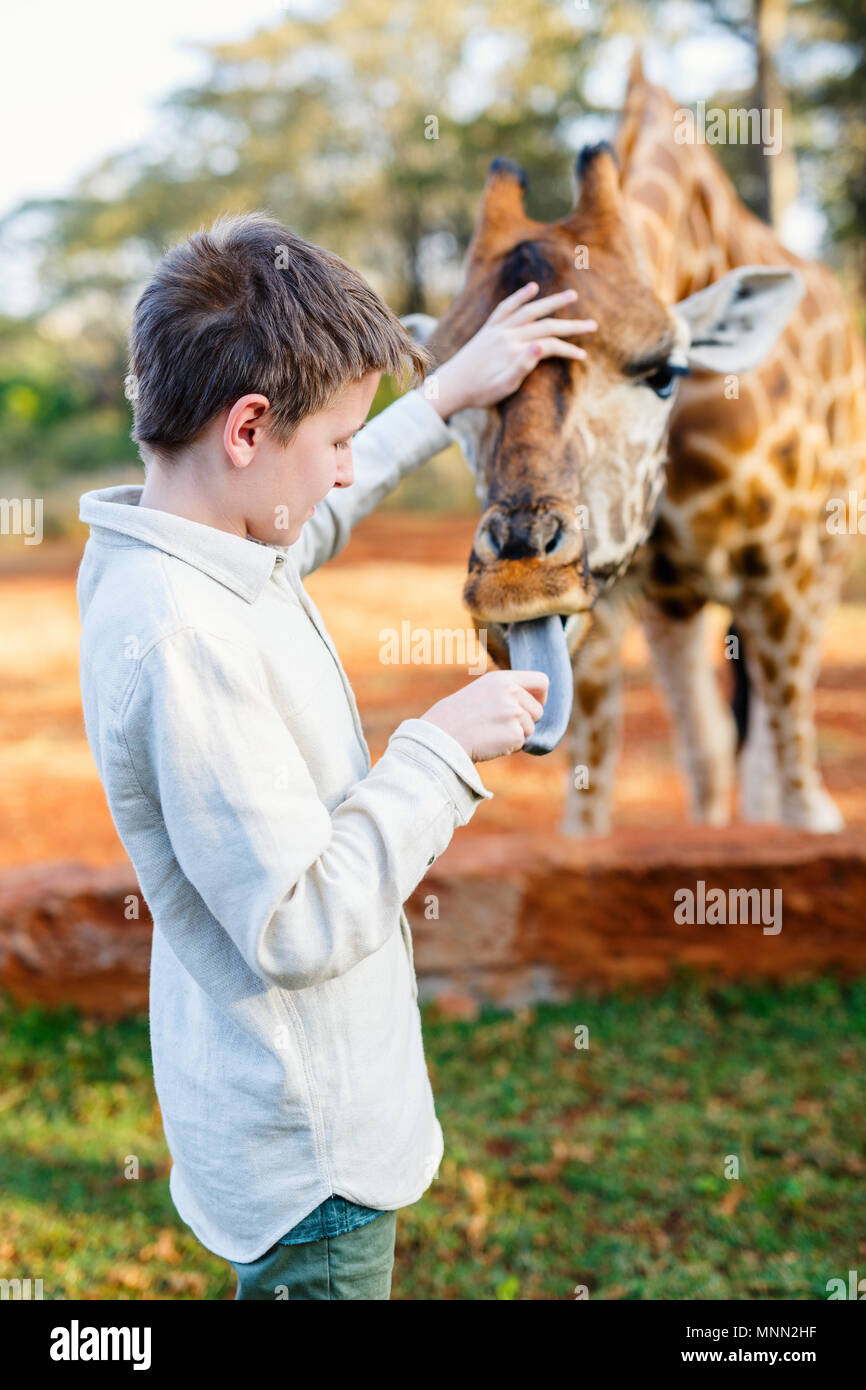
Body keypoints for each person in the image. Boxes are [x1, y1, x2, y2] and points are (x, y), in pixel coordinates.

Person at [76, 212, 596, 1300]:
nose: (349, 473)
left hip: (274, 1112)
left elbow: (299, 527)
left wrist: (446, 390)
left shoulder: (192, 548)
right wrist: (439, 751)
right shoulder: (186, 639)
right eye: (338, 443)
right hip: (311, 1163)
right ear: (249, 429)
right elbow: (297, 920)